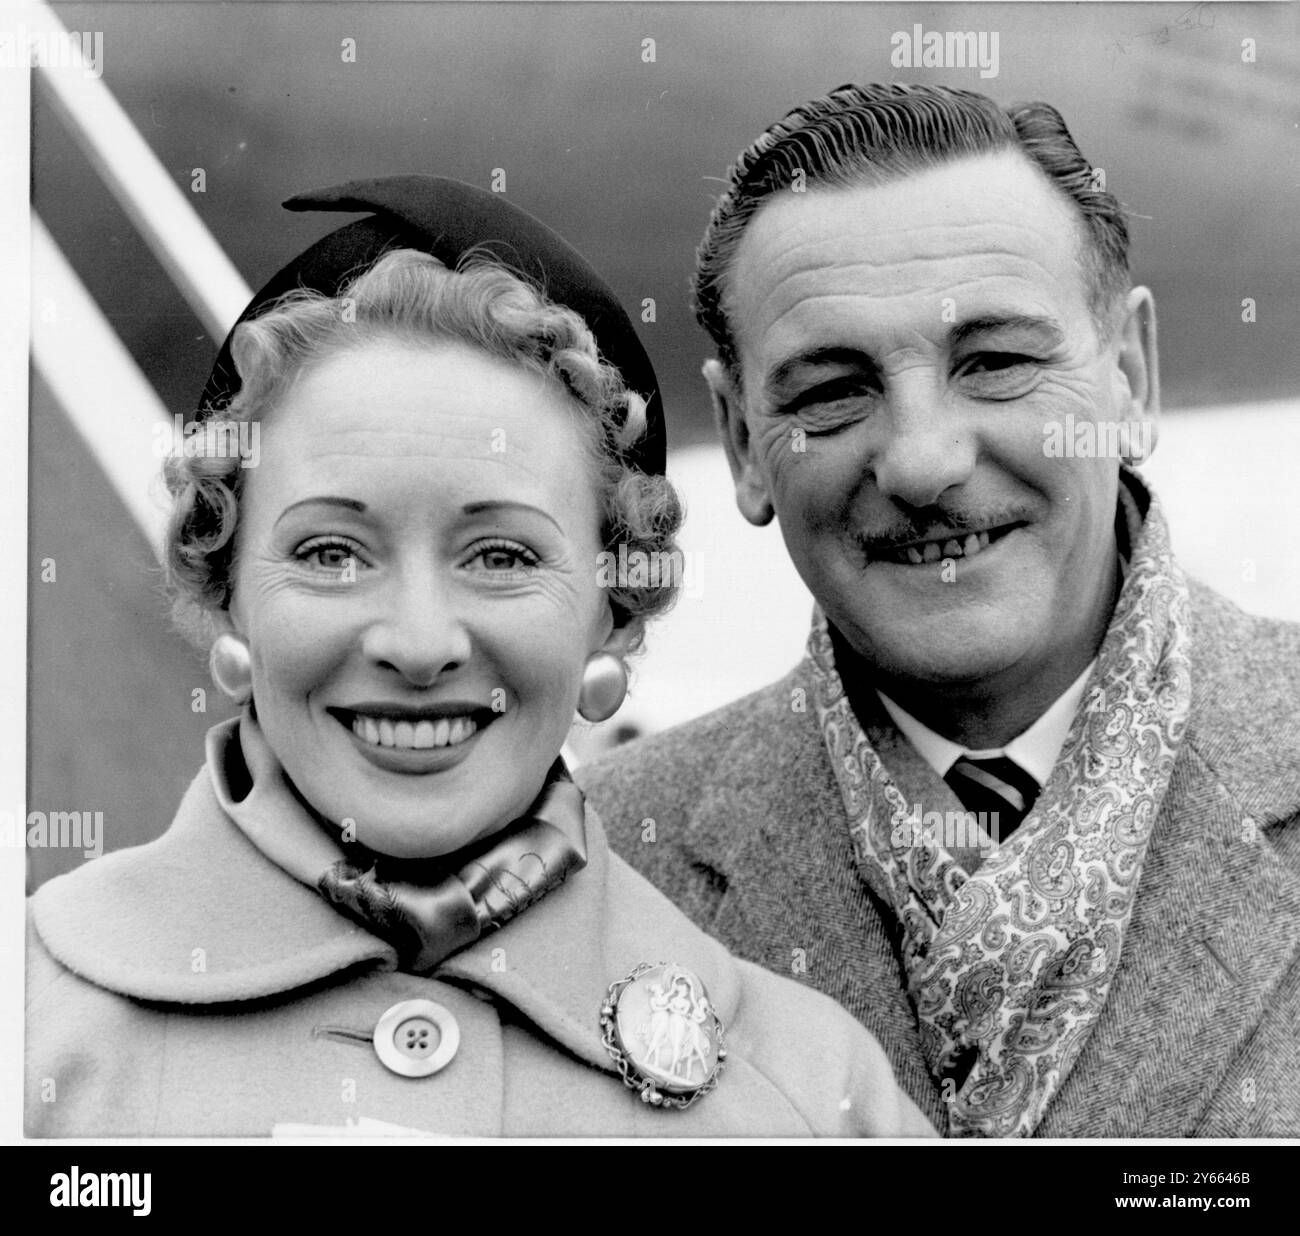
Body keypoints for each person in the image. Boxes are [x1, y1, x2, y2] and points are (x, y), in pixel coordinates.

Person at [25, 174, 934, 1138]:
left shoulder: (814, 1096)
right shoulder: (30, 1024)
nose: (419, 645)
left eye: (501, 556)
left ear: (613, 610)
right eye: (331, 553)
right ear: (227, 596)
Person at [578, 83, 1300, 1138]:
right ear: (741, 443)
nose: (920, 462)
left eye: (996, 364)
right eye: (831, 390)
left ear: (1130, 378)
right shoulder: (604, 867)